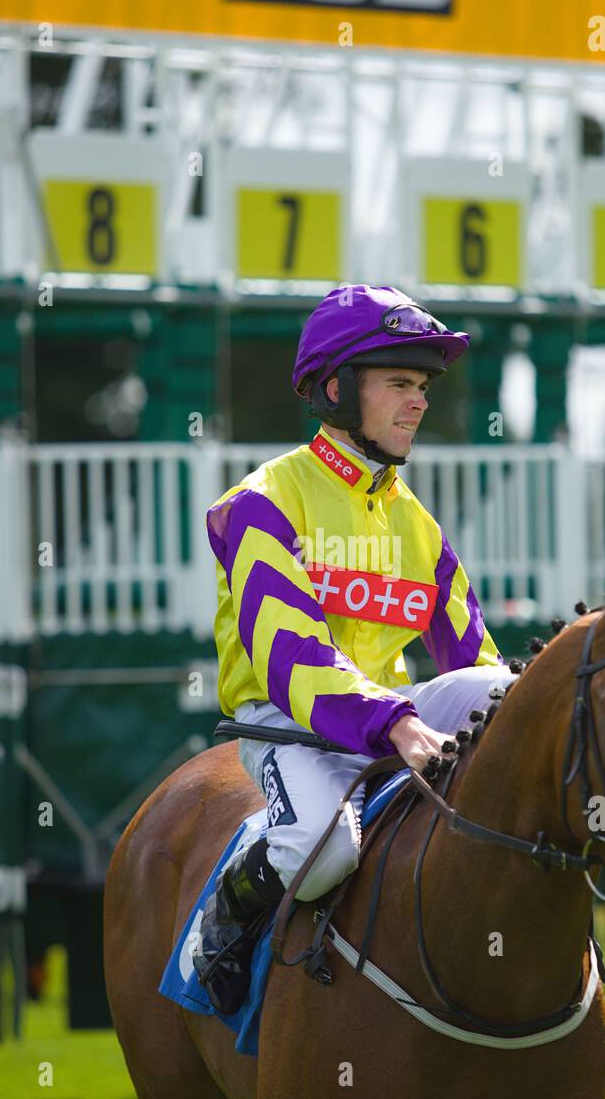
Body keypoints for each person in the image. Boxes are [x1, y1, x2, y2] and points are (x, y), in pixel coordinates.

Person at [196, 285, 510, 1014]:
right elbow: (292, 661)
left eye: (423, 387)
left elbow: (475, 661)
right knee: (323, 850)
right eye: (399, 383)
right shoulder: (262, 502)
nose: (418, 402)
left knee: (508, 702)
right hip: (287, 722)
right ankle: (230, 907)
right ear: (336, 389)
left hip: (390, 714)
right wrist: (397, 725)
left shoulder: (419, 526)